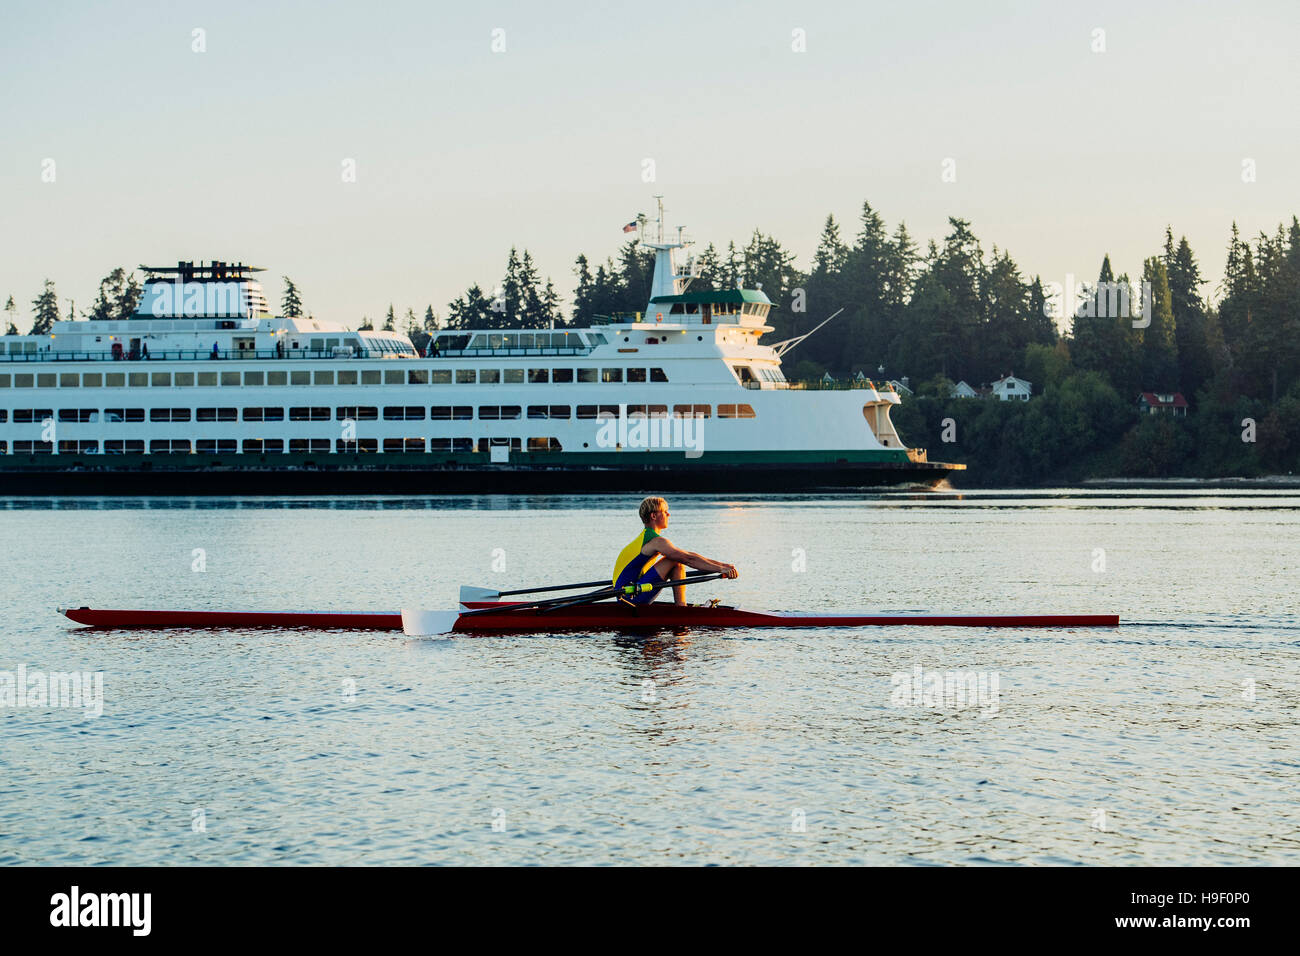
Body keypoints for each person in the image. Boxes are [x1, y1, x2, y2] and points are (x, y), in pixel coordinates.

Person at [613, 496, 737, 606]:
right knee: (675, 560)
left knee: (677, 560)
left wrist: (723, 565)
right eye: (665, 511)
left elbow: (689, 555)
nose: (668, 515)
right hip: (629, 597)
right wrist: (720, 570)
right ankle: (681, 608)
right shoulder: (657, 541)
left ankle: (681, 607)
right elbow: (688, 559)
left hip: (631, 591)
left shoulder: (647, 538)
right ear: (654, 516)